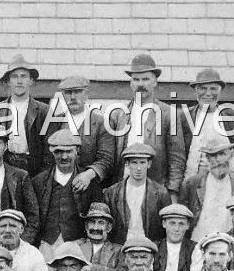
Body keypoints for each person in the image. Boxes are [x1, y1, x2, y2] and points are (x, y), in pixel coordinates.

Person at [110, 53, 188, 199]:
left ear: (155, 81)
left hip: (156, 192)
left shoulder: (168, 114)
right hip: (123, 190)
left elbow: (177, 159)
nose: (140, 84)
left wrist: (172, 194)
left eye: (145, 79)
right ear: (131, 83)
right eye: (136, 79)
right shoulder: (118, 115)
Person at [32, 129, 104, 258]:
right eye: (59, 152)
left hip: (79, 243)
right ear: (52, 152)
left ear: (77, 151)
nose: (64, 157)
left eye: (68, 151)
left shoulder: (89, 182)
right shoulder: (39, 181)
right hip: (47, 244)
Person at [181, 139, 234, 254]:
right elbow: (183, 218)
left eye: (222, 154)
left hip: (227, 248)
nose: (218, 160)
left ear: (230, 156)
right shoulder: (192, 184)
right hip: (197, 245)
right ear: (207, 159)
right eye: (213, 155)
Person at [0, 54, 51, 176]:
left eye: (24, 76)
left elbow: (48, 150)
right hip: (4, 166)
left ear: (31, 81)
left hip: (33, 169)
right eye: (14, 77)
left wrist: (41, 176)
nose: (19, 81)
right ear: (8, 81)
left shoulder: (44, 111)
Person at [185, 68, 234, 179]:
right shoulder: (184, 117)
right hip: (195, 182)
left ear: (220, 91)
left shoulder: (233, 116)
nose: (208, 93)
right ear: (195, 91)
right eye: (203, 88)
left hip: (229, 181)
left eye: (213, 89)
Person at [54, 74, 116, 192]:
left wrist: (89, 174)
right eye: (68, 92)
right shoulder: (55, 122)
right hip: (60, 187)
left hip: (91, 187)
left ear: (86, 94)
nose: (73, 97)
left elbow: (106, 159)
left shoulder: (101, 123)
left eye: (78, 92)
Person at [104, 142, 171, 246]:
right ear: (127, 164)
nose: (138, 168)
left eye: (142, 163)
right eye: (134, 163)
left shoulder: (161, 193)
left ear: (149, 164)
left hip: (150, 248)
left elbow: (167, 229)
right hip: (120, 248)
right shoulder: (112, 193)